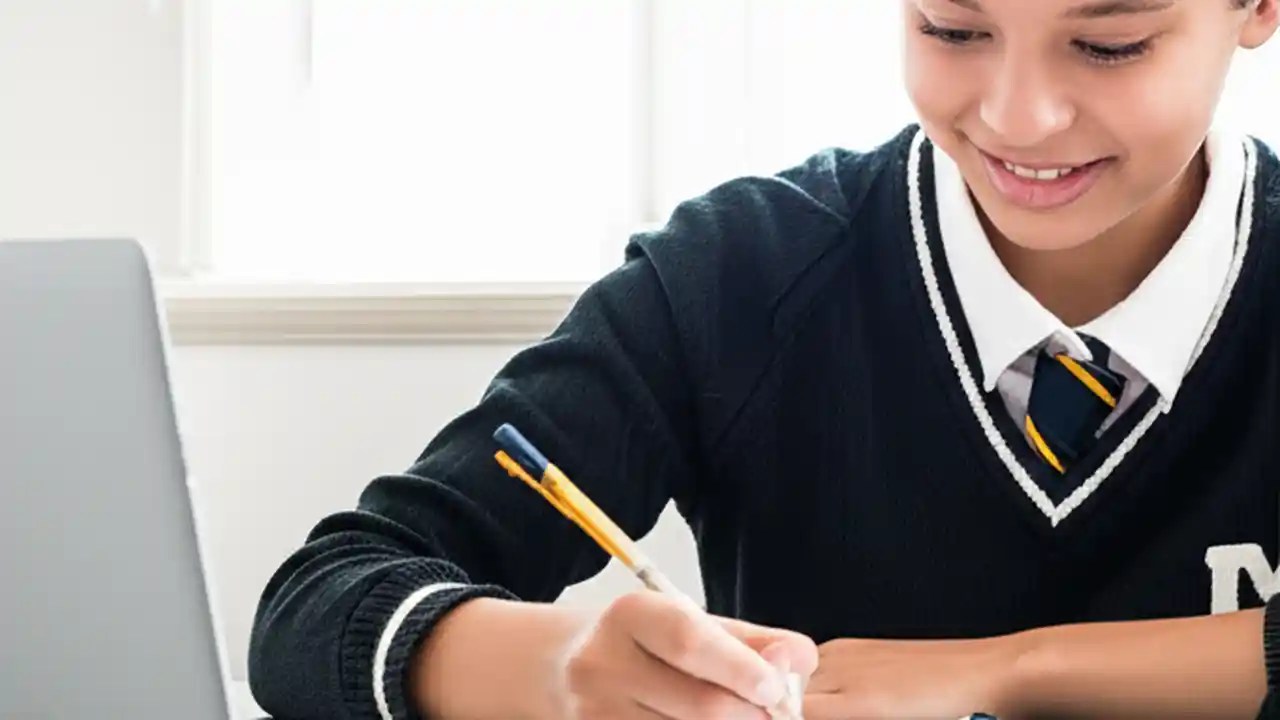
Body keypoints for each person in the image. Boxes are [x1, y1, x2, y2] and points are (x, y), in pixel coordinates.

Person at [248, 0, 1280, 718]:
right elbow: (316, 607)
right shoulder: (740, 274)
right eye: (950, 28)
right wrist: (563, 671)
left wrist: (1003, 675)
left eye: (1108, 44)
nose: (1017, 115)